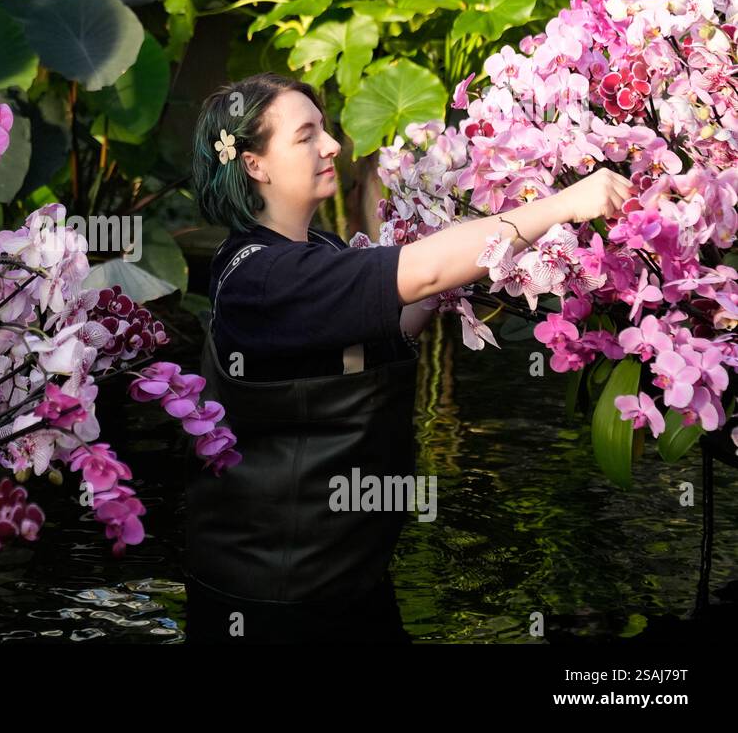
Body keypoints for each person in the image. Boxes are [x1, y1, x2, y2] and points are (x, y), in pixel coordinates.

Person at [183, 73, 631, 645]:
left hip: (346, 573)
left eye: (325, 130)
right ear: (254, 165)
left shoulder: (312, 251)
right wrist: (563, 203)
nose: (332, 146)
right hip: (275, 596)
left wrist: (471, 260)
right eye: (306, 136)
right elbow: (421, 271)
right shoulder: (262, 276)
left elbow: (395, 315)